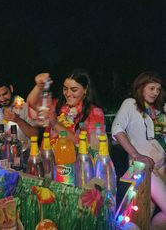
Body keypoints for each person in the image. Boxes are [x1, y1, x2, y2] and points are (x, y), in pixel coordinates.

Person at [111, 71, 166, 230]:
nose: (155, 92)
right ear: (141, 87)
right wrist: (136, 155)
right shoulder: (131, 104)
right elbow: (117, 129)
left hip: (160, 169)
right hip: (144, 169)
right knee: (138, 214)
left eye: (158, 89)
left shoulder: (156, 111)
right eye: (152, 88)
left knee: (146, 215)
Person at [27, 68, 105, 144]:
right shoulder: (56, 105)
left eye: (74, 90)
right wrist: (38, 86)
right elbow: (32, 103)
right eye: (65, 89)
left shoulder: (95, 112)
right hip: (49, 155)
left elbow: (84, 144)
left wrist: (55, 123)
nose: (68, 94)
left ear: (85, 89)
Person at [0, 73, 39, 150]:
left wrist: (18, 120)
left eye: (5, 94)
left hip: (26, 156)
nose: (2, 99)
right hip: (4, 157)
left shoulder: (25, 106)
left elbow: (35, 136)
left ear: (11, 88)